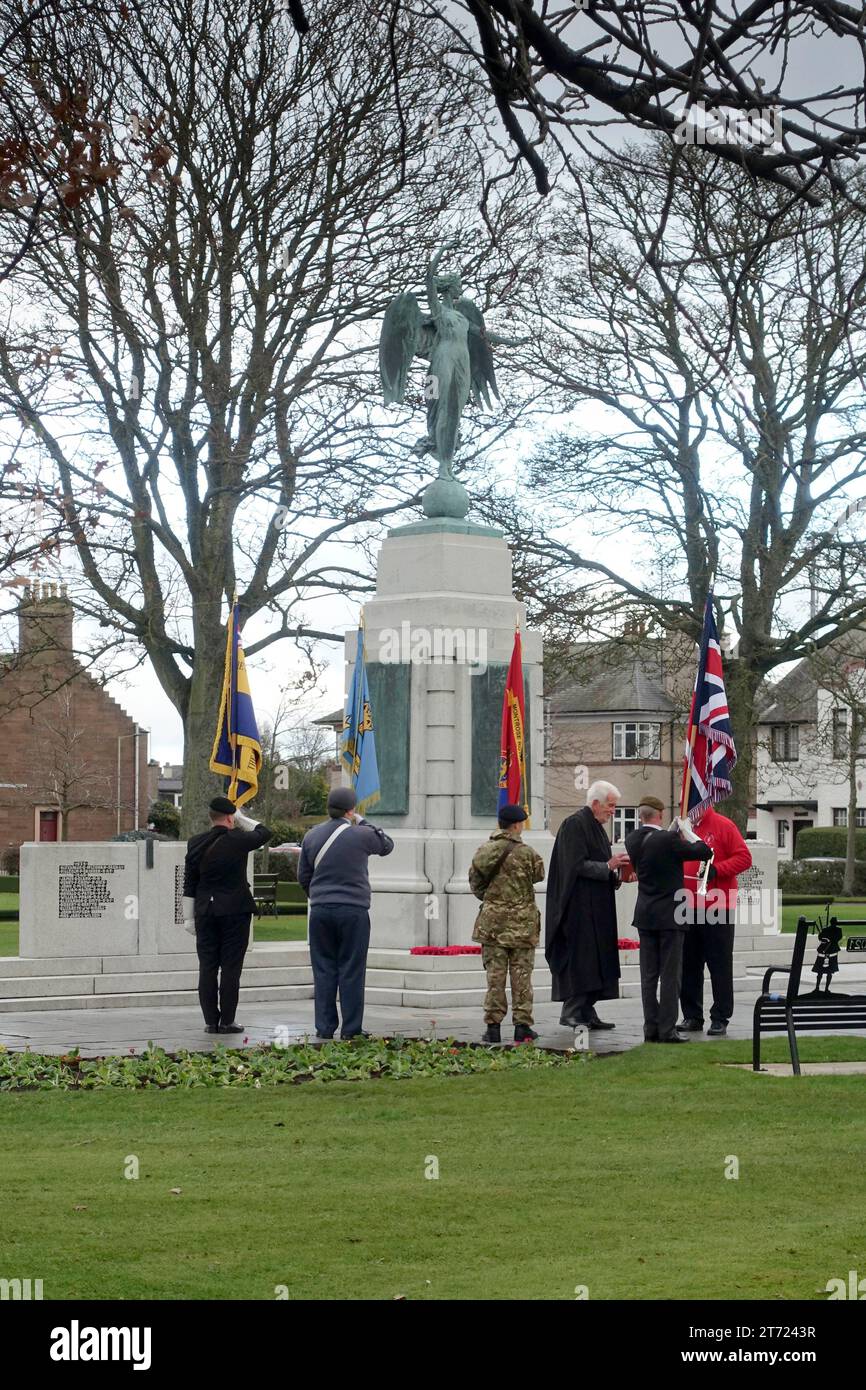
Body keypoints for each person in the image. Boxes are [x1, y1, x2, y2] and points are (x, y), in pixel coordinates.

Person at [298, 786, 394, 1040]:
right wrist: (363, 820)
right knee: (352, 968)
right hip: (353, 910)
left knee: (323, 969)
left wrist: (319, 897)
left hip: (320, 910)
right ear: (351, 810)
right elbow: (386, 845)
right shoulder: (361, 835)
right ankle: (351, 1029)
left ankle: (325, 1026)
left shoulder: (312, 836)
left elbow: (303, 876)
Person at [182, 795, 274, 1034]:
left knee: (208, 967)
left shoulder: (195, 842)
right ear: (230, 817)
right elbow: (265, 832)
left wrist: (187, 917)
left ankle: (211, 1021)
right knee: (231, 968)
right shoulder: (238, 840)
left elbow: (189, 882)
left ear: (210, 817)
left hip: (205, 912)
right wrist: (243, 819)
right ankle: (227, 1021)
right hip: (235, 911)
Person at [545, 780, 631, 1030]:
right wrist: (608, 866)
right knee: (582, 961)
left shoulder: (594, 826)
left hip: (597, 908)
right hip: (577, 910)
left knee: (597, 960)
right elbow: (575, 866)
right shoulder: (574, 825)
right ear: (595, 803)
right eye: (610, 806)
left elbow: (602, 865)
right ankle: (571, 1011)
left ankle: (587, 1009)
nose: (613, 811)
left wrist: (618, 874)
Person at [626, 797, 713, 1043]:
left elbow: (658, 846)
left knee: (649, 976)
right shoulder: (669, 839)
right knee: (670, 975)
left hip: (645, 914)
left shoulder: (632, 839)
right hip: (671, 915)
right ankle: (667, 1029)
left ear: (641, 815)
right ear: (661, 815)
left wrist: (673, 833)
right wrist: (686, 831)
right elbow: (704, 851)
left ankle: (650, 1028)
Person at [469, 803, 546, 1044]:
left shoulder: (484, 851)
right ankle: (522, 1026)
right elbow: (539, 875)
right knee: (522, 977)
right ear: (516, 825)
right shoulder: (528, 854)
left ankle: (493, 1027)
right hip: (523, 926)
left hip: (492, 926)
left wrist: (494, 902)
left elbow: (475, 884)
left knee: (495, 976)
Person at [678, 804, 753, 1037]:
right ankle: (692, 1015)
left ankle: (720, 1016)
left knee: (719, 964)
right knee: (689, 964)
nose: (690, 809)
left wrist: (717, 870)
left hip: (717, 906)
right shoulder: (684, 828)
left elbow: (744, 858)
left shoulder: (723, 826)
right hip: (688, 905)